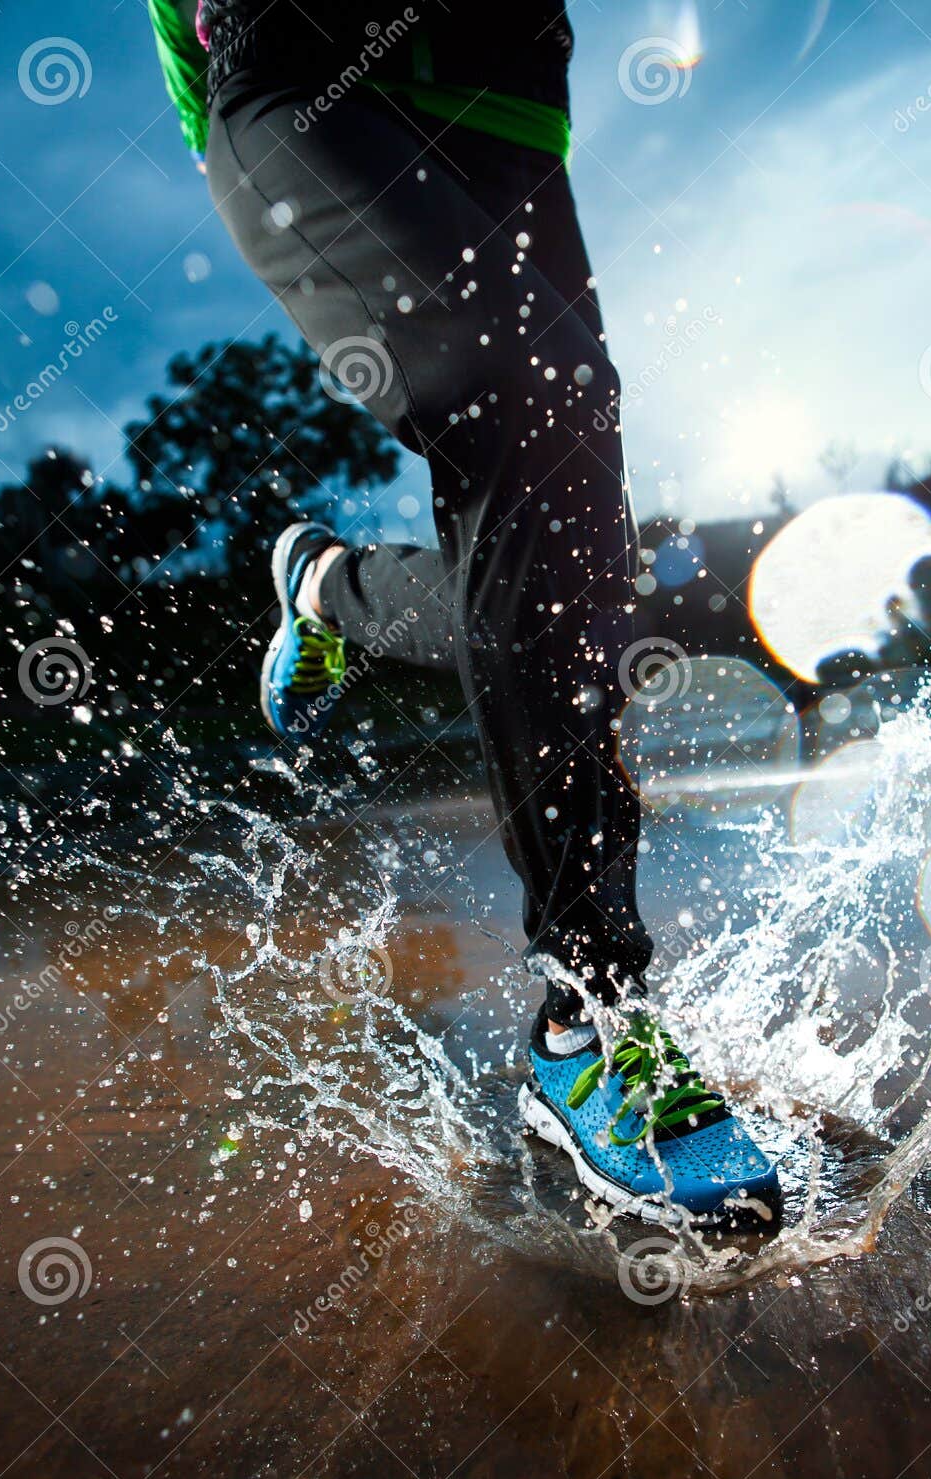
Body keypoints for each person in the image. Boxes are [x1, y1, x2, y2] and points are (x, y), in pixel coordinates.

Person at [147, 1, 781, 1222]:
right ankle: (585, 1016)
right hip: (298, 66)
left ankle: (332, 589)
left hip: (507, 105)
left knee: (577, 564)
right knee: (523, 413)